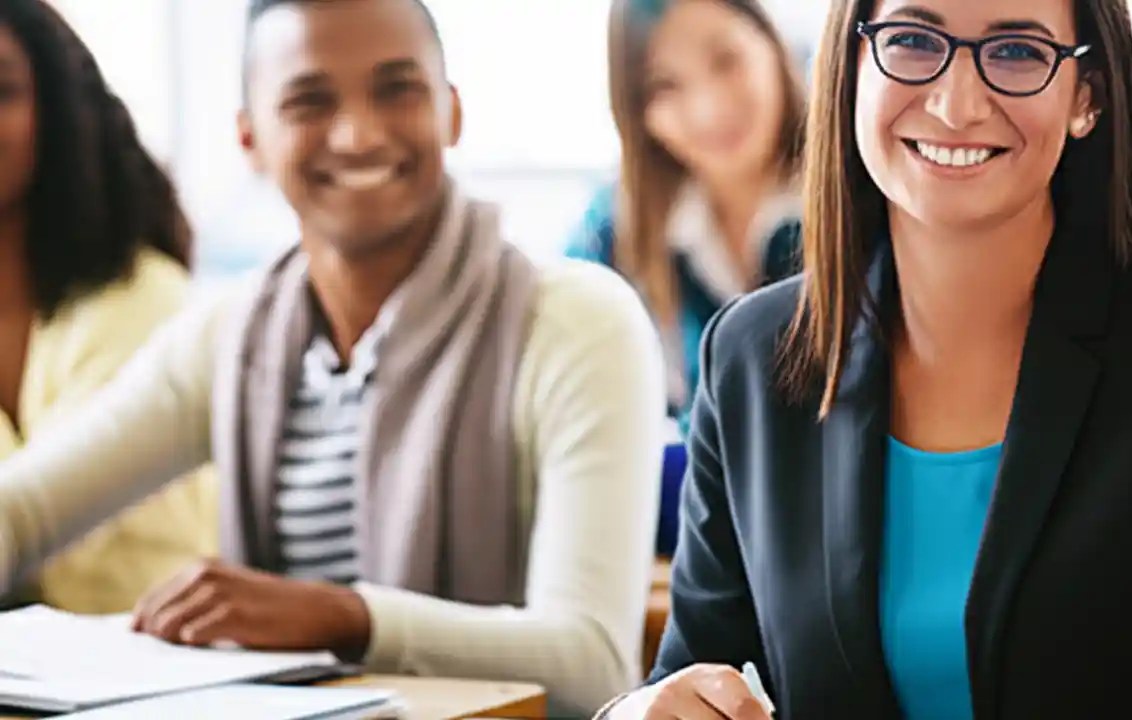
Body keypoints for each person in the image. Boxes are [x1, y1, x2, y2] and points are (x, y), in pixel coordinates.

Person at [602, 0, 1132, 717]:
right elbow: (691, 679)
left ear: (1088, 96)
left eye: (1017, 52)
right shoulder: (753, 359)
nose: (957, 104)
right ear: (850, 69)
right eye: (913, 40)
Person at [0, 0, 665, 714]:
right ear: (249, 139)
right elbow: (26, 510)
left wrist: (347, 617)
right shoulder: (234, 337)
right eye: (309, 101)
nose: (356, 134)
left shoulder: (577, 323)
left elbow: (594, 663)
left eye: (396, 89)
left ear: (452, 111)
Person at [0, 0, 215, 615]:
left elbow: (63, 530)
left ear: (57, 111)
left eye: (1, 90)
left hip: (148, 676)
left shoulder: (143, 299)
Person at [567, 0, 807, 432]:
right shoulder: (616, 230)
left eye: (726, 60)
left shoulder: (865, 195)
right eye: (664, 86)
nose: (709, 109)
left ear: (771, 41)